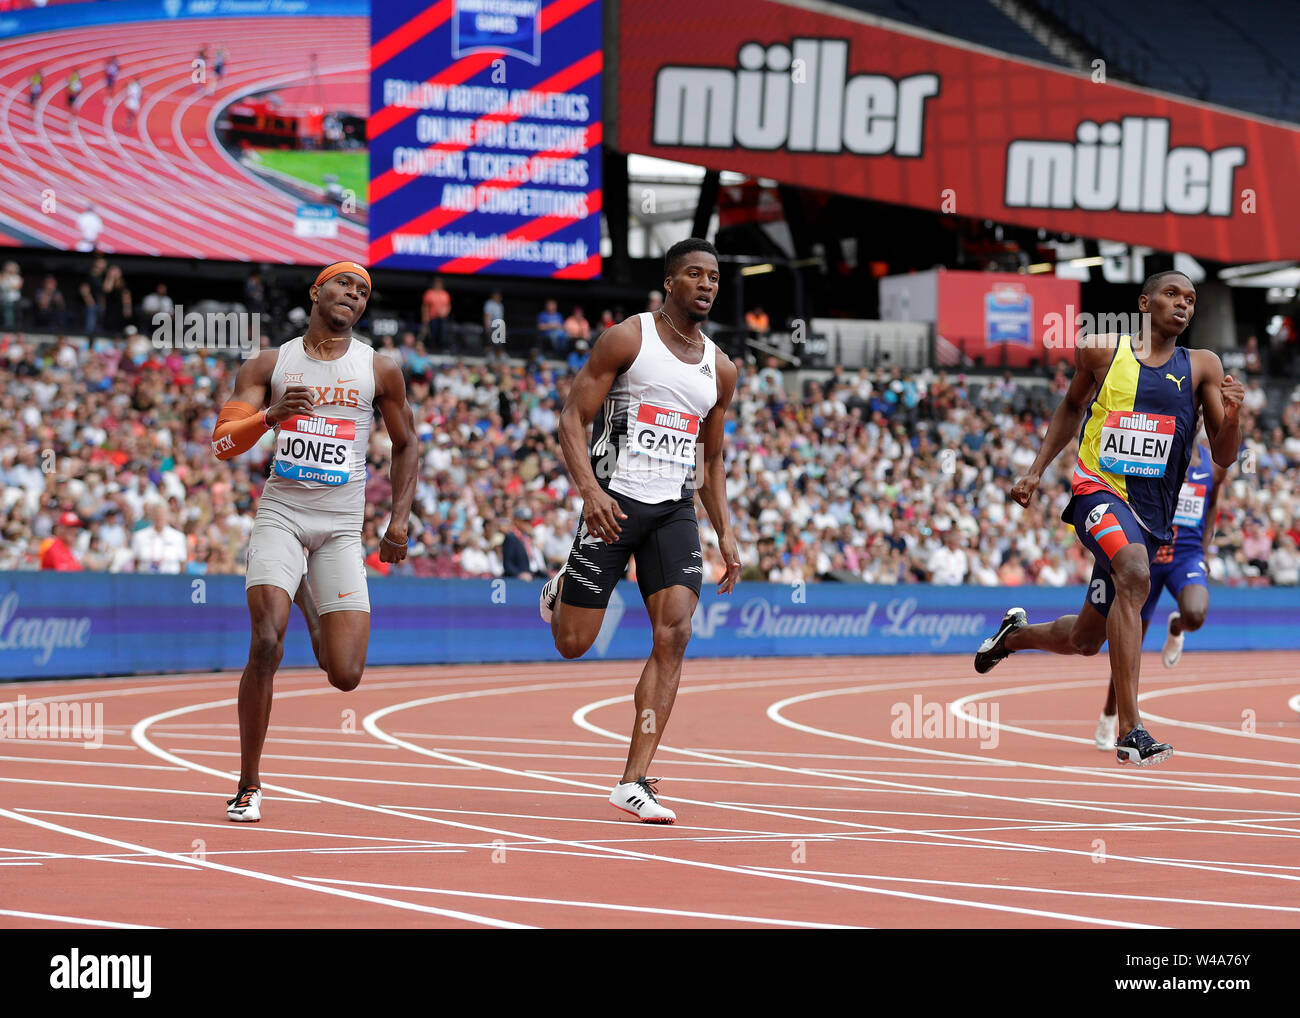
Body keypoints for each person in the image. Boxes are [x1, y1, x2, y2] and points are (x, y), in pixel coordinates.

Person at [974, 270, 1243, 767]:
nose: (1183, 304)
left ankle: (1013, 635)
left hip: (1152, 515)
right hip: (1098, 490)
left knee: (1083, 640)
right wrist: (1036, 472)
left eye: (1191, 299)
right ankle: (1131, 729)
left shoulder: (1203, 365)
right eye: (1171, 294)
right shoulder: (1101, 350)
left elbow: (1224, 456)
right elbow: (1072, 406)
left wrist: (1233, 414)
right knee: (1136, 573)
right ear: (1144, 303)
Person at [539, 238, 741, 823]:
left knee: (674, 634)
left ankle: (635, 780)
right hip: (614, 504)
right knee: (573, 644)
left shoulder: (720, 370)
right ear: (670, 281)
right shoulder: (629, 338)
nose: (707, 285)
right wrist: (590, 492)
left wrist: (724, 530)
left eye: (715, 277)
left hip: (674, 511)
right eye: (696, 275)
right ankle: (559, 595)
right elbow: (571, 418)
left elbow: (714, 460)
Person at [212, 260, 417, 822]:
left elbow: (407, 444)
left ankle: (305, 591)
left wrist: (398, 520)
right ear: (316, 292)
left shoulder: (379, 368)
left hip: (341, 529)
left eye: (363, 290)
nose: (353, 293)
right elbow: (222, 445)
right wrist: (270, 416)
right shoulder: (270, 363)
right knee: (266, 644)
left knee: (345, 674)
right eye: (343, 284)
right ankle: (248, 782)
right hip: (282, 514)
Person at [1093, 432, 1228, 749]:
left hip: (1186, 555)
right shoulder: (1155, 455)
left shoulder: (1214, 467)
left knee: (1195, 613)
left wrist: (1204, 553)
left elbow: (1211, 509)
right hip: (1148, 555)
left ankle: (1176, 626)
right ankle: (1109, 715)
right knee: (1129, 647)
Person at [420, 276, 451, 350]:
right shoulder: (429, 293)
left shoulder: (445, 294)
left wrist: (445, 313)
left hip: (442, 318)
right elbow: (425, 307)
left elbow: (448, 306)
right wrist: (425, 318)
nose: (438, 285)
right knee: (432, 334)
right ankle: (431, 348)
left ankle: (442, 348)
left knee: (443, 334)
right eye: (436, 283)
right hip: (432, 318)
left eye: (439, 283)